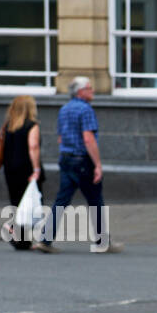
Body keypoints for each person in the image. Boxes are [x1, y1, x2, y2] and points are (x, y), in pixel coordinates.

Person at [46, 75, 120, 253]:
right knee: (95, 200)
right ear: (80, 92)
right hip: (82, 160)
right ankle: (102, 242)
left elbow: (60, 137)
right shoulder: (86, 110)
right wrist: (98, 165)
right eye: (89, 88)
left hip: (66, 158)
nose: (92, 91)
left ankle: (44, 239)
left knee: (61, 201)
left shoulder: (64, 109)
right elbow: (88, 139)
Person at [0, 95, 45, 250]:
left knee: (17, 203)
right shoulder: (32, 125)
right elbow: (33, 147)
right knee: (32, 204)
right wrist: (36, 169)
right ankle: (16, 232)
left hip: (10, 168)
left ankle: (21, 240)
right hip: (26, 168)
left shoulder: (9, 126)